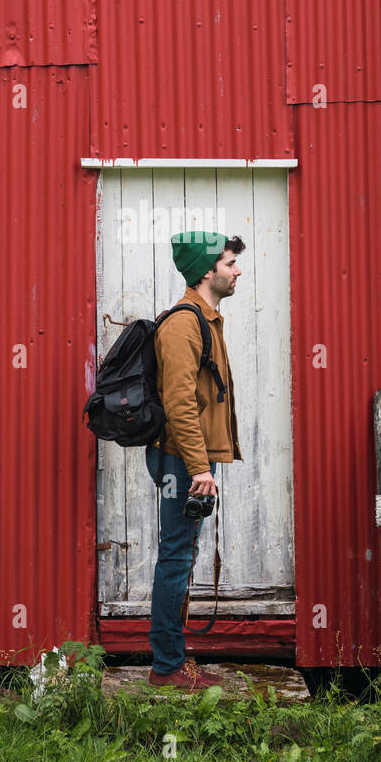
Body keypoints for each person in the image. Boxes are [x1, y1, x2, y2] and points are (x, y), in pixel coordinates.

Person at [145, 231, 244, 690]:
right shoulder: (184, 324)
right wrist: (200, 468)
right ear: (207, 271)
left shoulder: (206, 319)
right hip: (183, 462)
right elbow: (180, 403)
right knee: (176, 556)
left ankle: (173, 661)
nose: (236, 270)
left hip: (192, 460)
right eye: (228, 264)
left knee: (182, 555)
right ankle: (167, 667)